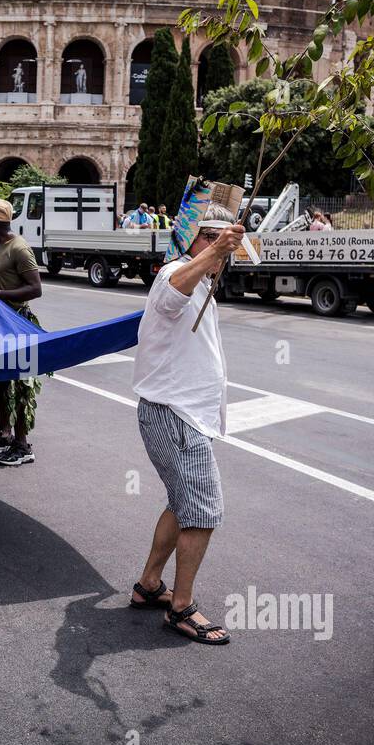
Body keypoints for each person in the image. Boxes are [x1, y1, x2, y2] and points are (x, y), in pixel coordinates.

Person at [129, 203, 244, 646]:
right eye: (210, 238)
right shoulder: (174, 273)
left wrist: (215, 256)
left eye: (224, 241)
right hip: (174, 415)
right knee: (203, 510)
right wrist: (214, 253)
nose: (222, 249)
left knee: (181, 504)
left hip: (181, 414)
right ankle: (182, 608)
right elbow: (175, 287)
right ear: (193, 241)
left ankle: (150, 585)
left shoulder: (203, 279)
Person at [0, 198, 42, 467]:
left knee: (19, 383)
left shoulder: (20, 248)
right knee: (1, 379)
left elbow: (35, 289)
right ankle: (5, 435)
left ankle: (23, 445)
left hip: (16, 324)